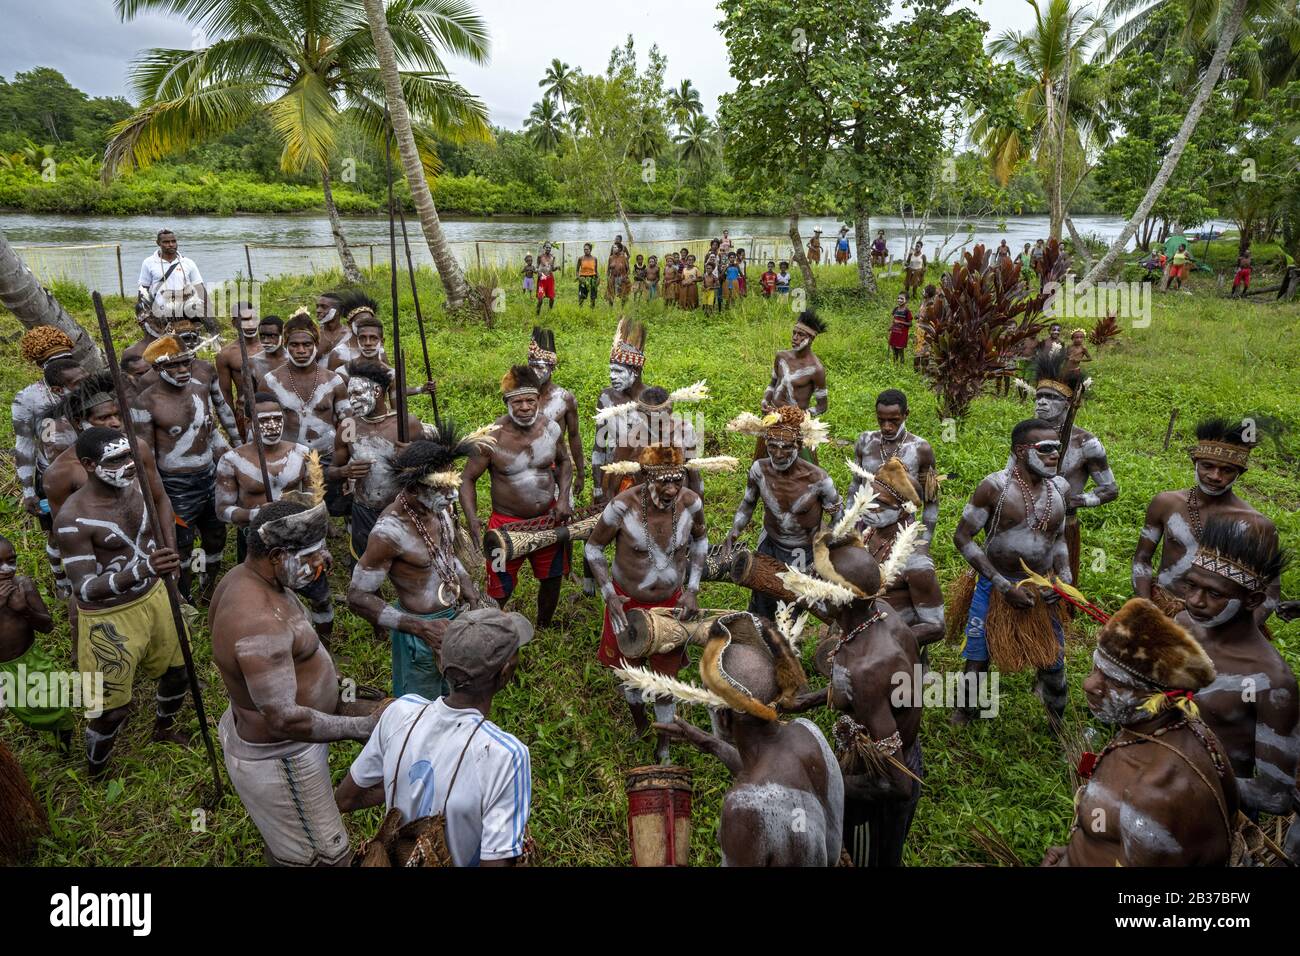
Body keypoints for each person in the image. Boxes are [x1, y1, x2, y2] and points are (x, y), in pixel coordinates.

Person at [210, 493, 385, 867]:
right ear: (277, 558)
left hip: (290, 745)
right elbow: (284, 718)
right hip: (282, 758)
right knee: (326, 857)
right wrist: (365, 727)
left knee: (293, 844)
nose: (326, 562)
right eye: (312, 556)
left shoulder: (249, 578)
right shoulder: (257, 623)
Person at [626, 613, 844, 866]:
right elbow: (780, 791)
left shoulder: (743, 810)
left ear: (722, 717)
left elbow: (770, 797)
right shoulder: (809, 733)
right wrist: (711, 744)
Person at [779, 497, 926, 866]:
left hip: (882, 784)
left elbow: (898, 784)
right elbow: (878, 696)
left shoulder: (867, 669)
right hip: (898, 746)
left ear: (839, 601)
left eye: (820, 584)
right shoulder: (883, 612)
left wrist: (827, 783)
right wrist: (810, 699)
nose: (812, 587)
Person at [1040, 598, 1237, 866]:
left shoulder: (1154, 794)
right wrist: (1074, 852)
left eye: (1113, 681)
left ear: (1160, 697)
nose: (1088, 684)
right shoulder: (1182, 728)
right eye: (1096, 669)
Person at [336, 607, 533, 867]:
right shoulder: (506, 755)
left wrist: (405, 784)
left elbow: (345, 799)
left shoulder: (400, 712)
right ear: (505, 673)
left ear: (441, 663)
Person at [55, 427, 188, 776]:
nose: (129, 465)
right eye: (116, 460)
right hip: (108, 619)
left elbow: (162, 502)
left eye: (130, 456)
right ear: (87, 464)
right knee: (111, 710)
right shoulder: (73, 518)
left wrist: (168, 556)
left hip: (155, 595)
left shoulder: (139, 486)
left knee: (178, 672)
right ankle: (97, 770)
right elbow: (83, 588)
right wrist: (144, 568)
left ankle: (164, 729)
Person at [584, 444, 717, 762]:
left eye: (678, 480)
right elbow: (592, 549)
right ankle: (640, 722)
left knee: (664, 682)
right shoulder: (622, 506)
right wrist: (609, 594)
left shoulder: (690, 503)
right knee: (630, 673)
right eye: (663, 482)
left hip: (671, 605)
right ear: (645, 477)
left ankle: (664, 745)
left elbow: (701, 540)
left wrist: (693, 589)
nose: (672, 489)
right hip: (627, 604)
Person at [950, 419, 1072, 730]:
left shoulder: (1059, 488)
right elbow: (962, 537)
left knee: (1053, 663)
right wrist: (1003, 586)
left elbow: (1058, 539)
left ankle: (1056, 724)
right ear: (1021, 451)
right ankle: (963, 716)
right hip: (995, 586)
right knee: (976, 662)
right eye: (1045, 449)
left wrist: (1063, 578)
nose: (1054, 455)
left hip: (1041, 589)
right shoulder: (995, 488)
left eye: (1057, 449)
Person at [350, 435, 490, 700]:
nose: (451, 495)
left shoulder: (438, 508)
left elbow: (445, 553)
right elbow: (357, 598)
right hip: (420, 632)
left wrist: (467, 585)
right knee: (420, 710)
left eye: (452, 483)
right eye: (440, 487)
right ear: (413, 489)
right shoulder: (389, 532)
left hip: (454, 619)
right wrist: (419, 628)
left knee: (453, 697)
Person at [1178, 517, 1297, 822]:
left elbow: (1274, 795)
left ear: (1252, 600)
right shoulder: (1183, 625)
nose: (1195, 601)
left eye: (1214, 594)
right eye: (1191, 585)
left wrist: (1178, 778)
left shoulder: (1271, 682)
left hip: (1217, 817)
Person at [1132, 417, 1279, 621]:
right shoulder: (1166, 503)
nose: (1215, 476)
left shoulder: (1258, 525)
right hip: (1163, 606)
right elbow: (1142, 559)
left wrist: (1240, 631)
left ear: (1240, 473)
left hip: (1220, 622)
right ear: (1195, 463)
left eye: (1227, 470)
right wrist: (1146, 607)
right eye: (1207, 466)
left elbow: (1271, 588)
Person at [460, 365, 573, 628]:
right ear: (507, 403)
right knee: (499, 585)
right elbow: (467, 479)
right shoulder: (491, 437)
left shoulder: (550, 429)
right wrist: (472, 518)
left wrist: (564, 498)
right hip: (505, 525)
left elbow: (565, 463)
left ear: (538, 400)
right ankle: (487, 628)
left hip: (547, 519)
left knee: (552, 576)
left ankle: (545, 624)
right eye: (518, 401)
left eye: (530, 401)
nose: (525, 407)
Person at [133, 335, 230, 604]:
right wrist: (155, 495)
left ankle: (208, 587)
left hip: (210, 476)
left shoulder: (199, 389)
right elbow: (146, 456)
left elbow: (209, 432)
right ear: (158, 370)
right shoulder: (146, 402)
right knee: (182, 543)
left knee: (216, 535)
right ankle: (185, 595)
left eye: (186, 363)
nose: (183, 370)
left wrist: (228, 457)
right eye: (174, 367)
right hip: (175, 485)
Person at [724, 405, 840, 621]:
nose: (778, 454)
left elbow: (839, 517)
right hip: (770, 544)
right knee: (761, 599)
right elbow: (748, 503)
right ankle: (758, 640)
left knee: (789, 610)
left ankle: (784, 648)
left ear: (798, 444)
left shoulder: (818, 480)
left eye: (786, 447)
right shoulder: (760, 470)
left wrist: (822, 553)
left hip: (802, 552)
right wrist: (735, 530)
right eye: (772, 446)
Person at [1024, 352, 1118, 586]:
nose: (1041, 402)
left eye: (1050, 397)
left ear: (1068, 403)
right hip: (1023, 522)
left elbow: (1110, 489)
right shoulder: (1025, 436)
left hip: (1063, 526)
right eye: (1039, 396)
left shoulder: (1086, 443)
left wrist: (1075, 501)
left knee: (1058, 591)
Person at [329, 359, 426, 557]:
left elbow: (432, 469)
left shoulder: (406, 423)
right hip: (364, 509)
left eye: (357, 393)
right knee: (365, 566)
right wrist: (344, 471)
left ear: (377, 392)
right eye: (350, 394)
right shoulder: (349, 426)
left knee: (409, 565)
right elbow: (331, 470)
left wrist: (412, 456)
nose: (352, 400)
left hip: (403, 509)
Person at [262, 310, 352, 518]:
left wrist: (348, 458)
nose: (301, 350)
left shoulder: (334, 381)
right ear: (286, 346)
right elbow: (259, 426)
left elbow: (348, 425)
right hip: (288, 458)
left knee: (328, 506)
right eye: (294, 345)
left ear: (315, 346)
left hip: (326, 456)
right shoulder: (271, 382)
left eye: (307, 344)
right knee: (292, 510)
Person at [13, 328, 82, 595]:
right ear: (43, 368)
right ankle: (62, 583)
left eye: (67, 358)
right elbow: (25, 444)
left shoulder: (84, 387)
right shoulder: (28, 399)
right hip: (51, 474)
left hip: (88, 468)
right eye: (54, 363)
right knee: (57, 530)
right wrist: (28, 490)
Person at [855, 458, 944, 653]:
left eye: (881, 503)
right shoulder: (868, 534)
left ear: (904, 513)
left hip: (896, 656)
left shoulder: (916, 562)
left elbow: (936, 627)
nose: (869, 506)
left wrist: (883, 643)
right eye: (869, 498)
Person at [0, 533, 74, 751]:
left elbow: (47, 626)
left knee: (57, 708)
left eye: (11, 561)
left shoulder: (23, 586)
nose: (6, 569)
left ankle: (64, 748)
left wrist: (24, 610)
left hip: (31, 661)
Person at [849, 389, 940, 540]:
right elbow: (855, 484)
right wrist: (849, 521)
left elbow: (931, 501)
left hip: (900, 529)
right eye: (881, 420)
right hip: (864, 522)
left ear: (906, 414)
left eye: (894, 420)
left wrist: (924, 542)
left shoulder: (920, 449)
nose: (886, 426)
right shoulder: (865, 441)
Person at [592, 319, 648, 507]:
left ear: (636, 371)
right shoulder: (607, 398)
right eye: (610, 371)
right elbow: (599, 446)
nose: (612, 376)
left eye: (618, 371)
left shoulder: (653, 401)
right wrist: (598, 486)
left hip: (644, 478)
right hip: (612, 475)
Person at [528, 327, 585, 503]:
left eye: (540, 367)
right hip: (527, 471)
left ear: (552, 367)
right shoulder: (521, 398)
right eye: (532, 366)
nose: (535, 371)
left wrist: (581, 473)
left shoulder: (564, 399)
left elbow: (574, 437)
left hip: (557, 469)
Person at [762, 311, 828, 424]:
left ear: (811, 339)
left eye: (801, 335)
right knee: (763, 442)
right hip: (771, 415)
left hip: (794, 423)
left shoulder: (816, 370)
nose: (795, 338)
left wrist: (798, 416)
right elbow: (772, 384)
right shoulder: (781, 356)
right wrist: (765, 401)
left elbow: (822, 406)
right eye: (794, 333)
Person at [216, 300, 262, 440]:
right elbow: (225, 392)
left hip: (275, 408)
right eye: (244, 320)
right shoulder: (226, 354)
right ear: (234, 323)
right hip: (245, 411)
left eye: (253, 319)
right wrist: (232, 423)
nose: (250, 324)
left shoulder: (272, 346)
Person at [137, 228, 206, 320]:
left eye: (173, 241)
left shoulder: (188, 262)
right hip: (161, 309)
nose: (171, 245)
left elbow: (199, 287)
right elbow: (143, 289)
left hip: (185, 307)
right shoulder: (149, 262)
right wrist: (143, 308)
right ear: (158, 243)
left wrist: (206, 306)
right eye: (166, 242)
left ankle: (214, 333)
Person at [246, 315, 287, 390]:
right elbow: (250, 396)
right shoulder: (252, 363)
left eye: (272, 336)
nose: (266, 341)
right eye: (262, 336)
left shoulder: (293, 360)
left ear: (283, 335)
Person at [314, 291, 350, 365]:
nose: (318, 310)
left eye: (324, 307)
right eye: (317, 306)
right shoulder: (313, 334)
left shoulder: (350, 334)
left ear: (337, 311)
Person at [887, 293, 912, 365]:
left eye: (901, 299)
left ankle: (901, 366)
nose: (899, 300)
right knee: (894, 349)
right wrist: (890, 327)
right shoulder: (895, 309)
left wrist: (900, 322)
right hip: (894, 332)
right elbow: (893, 320)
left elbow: (910, 324)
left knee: (900, 350)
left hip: (902, 334)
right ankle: (895, 365)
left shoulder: (907, 311)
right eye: (898, 298)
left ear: (906, 300)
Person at [535, 242, 557, 314]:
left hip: (550, 279)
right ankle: (537, 313)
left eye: (549, 248)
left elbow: (552, 268)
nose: (548, 249)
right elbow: (536, 267)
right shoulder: (540, 256)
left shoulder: (552, 257)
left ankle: (549, 312)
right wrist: (538, 272)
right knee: (540, 298)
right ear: (544, 248)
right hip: (542, 279)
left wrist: (556, 268)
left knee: (552, 298)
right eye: (547, 247)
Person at [607, 236, 630, 303]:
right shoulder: (611, 258)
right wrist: (608, 277)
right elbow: (608, 269)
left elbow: (628, 270)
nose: (614, 249)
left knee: (623, 294)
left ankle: (622, 309)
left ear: (619, 249)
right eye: (613, 248)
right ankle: (610, 309)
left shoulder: (623, 257)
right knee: (611, 294)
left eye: (615, 248)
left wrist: (625, 277)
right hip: (613, 278)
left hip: (621, 277)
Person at [576, 242, 600, 308]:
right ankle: (580, 309)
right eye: (584, 249)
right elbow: (577, 270)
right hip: (583, 278)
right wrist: (579, 278)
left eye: (587, 249)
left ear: (590, 250)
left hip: (593, 278)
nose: (585, 251)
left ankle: (592, 310)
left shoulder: (594, 259)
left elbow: (596, 270)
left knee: (593, 296)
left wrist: (598, 278)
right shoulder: (581, 258)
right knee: (581, 296)